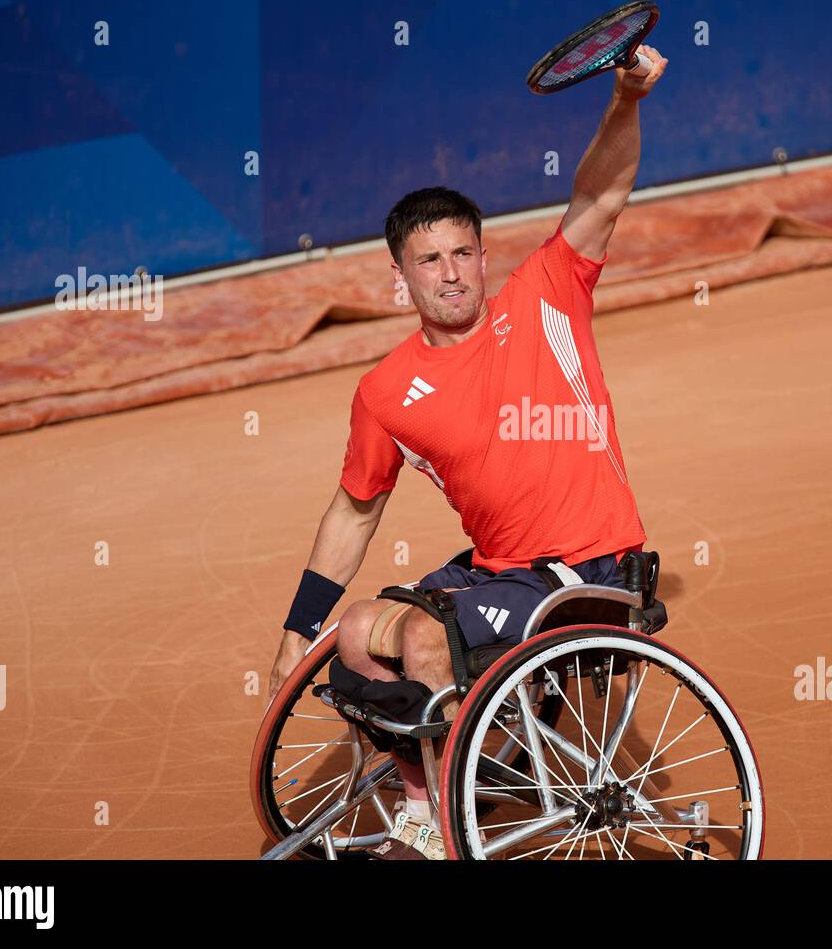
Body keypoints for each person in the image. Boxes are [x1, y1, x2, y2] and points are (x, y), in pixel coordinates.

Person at [267, 45, 668, 858]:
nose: (450, 275)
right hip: (500, 571)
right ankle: (426, 799)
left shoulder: (547, 294)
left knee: (423, 640)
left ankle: (449, 827)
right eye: (429, 261)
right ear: (400, 277)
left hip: (588, 567)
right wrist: (293, 629)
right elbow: (355, 508)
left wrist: (625, 98)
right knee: (354, 632)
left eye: (461, 254)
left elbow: (602, 191)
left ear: (484, 257)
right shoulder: (386, 390)